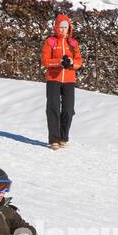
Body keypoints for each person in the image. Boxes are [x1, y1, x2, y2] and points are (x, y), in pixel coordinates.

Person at [41, 13, 83, 150]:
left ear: (69, 27)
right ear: (56, 27)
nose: (63, 29)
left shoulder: (73, 43)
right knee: (52, 108)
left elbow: (79, 62)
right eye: (61, 26)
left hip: (69, 80)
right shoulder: (50, 41)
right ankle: (54, 139)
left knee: (68, 110)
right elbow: (45, 61)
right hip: (53, 79)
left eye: (65, 27)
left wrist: (71, 62)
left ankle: (63, 137)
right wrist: (59, 62)